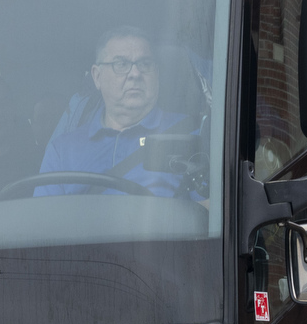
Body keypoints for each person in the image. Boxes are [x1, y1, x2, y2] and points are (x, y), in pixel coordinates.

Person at [35, 27, 200, 197]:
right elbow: (44, 214)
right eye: (121, 64)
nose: (135, 73)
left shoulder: (192, 134)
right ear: (97, 77)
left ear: (156, 73)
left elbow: (206, 208)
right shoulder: (62, 151)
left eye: (145, 64)